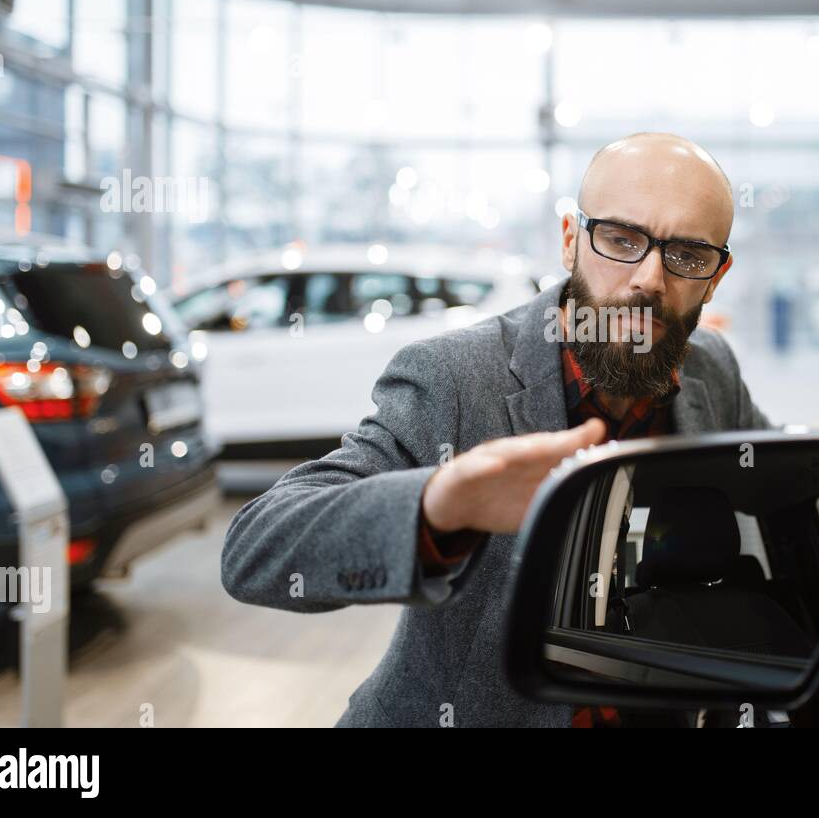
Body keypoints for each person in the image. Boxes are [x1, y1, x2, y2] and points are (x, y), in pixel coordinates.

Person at [221, 132, 770, 727]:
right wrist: (436, 507)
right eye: (621, 239)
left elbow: (777, 471)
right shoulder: (454, 378)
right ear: (570, 241)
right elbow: (256, 550)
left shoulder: (712, 367)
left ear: (715, 277)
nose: (648, 280)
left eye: (686, 256)